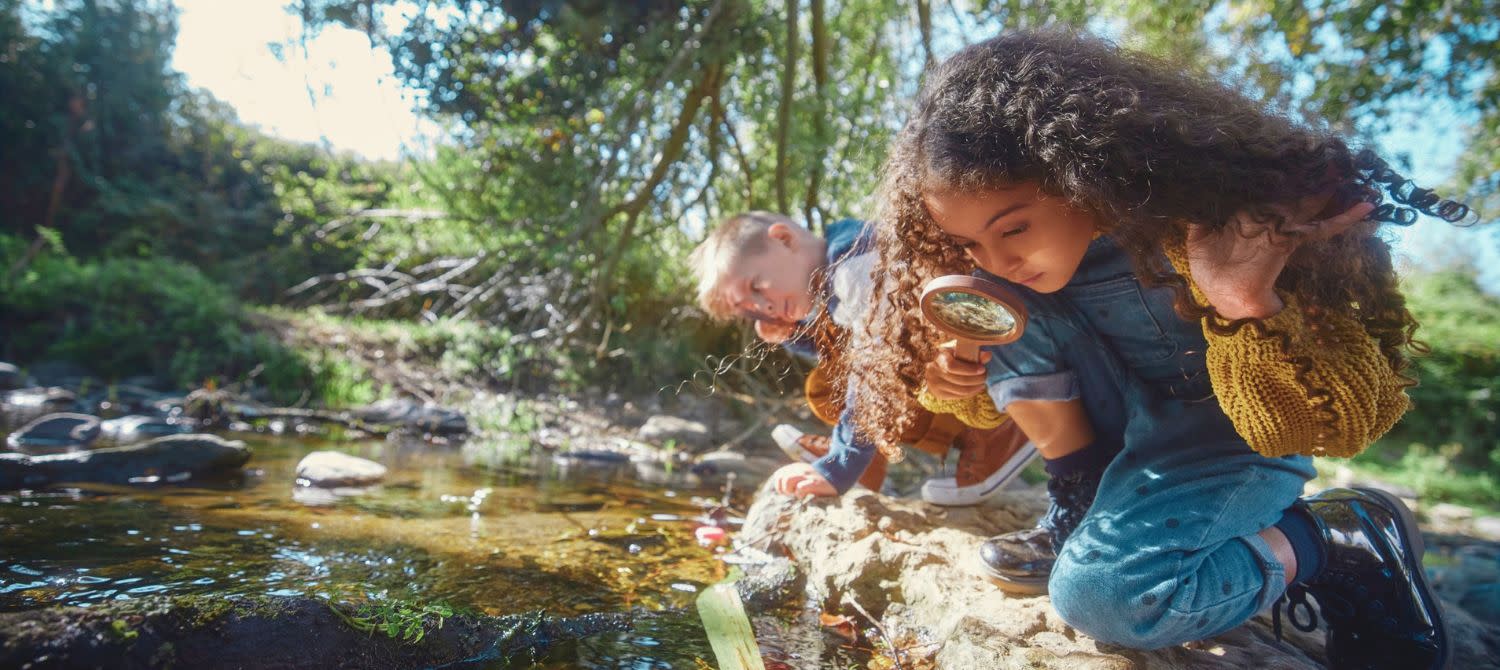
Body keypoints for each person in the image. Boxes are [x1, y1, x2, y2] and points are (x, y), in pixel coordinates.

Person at [847, 29, 1467, 667]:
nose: (997, 257)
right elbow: (991, 400)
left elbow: (1347, 424)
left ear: (1077, 169)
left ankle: (1335, 538)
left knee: (1108, 600)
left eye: (1015, 227)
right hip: (1125, 441)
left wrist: (1244, 302)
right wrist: (958, 380)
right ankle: (1081, 504)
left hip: (1231, 445)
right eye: (972, 243)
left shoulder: (1227, 223)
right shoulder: (1007, 277)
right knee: (989, 300)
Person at [688, 211, 1033, 505]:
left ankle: (1002, 435)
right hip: (947, 380)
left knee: (852, 382)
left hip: (994, 369)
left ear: (783, 239)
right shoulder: (830, 277)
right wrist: (794, 333)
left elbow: (871, 374)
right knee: (827, 386)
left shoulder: (853, 266)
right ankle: (869, 468)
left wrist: (840, 466)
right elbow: (843, 352)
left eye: (757, 286)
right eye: (747, 310)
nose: (761, 308)